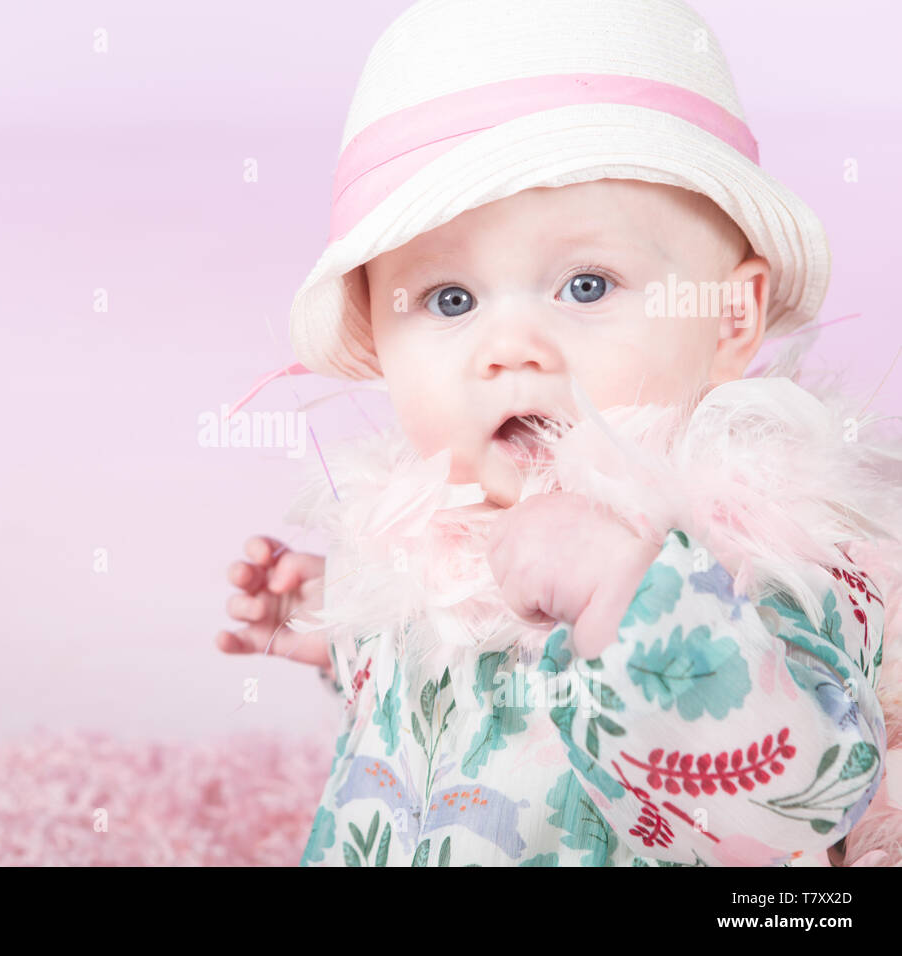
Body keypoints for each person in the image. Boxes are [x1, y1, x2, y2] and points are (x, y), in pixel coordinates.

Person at [218, 0, 902, 866]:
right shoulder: (435, 538)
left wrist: (629, 598)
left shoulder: (775, 554)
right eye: (450, 299)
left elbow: (794, 811)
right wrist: (355, 631)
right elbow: (449, 735)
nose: (510, 350)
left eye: (586, 286)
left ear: (731, 317)